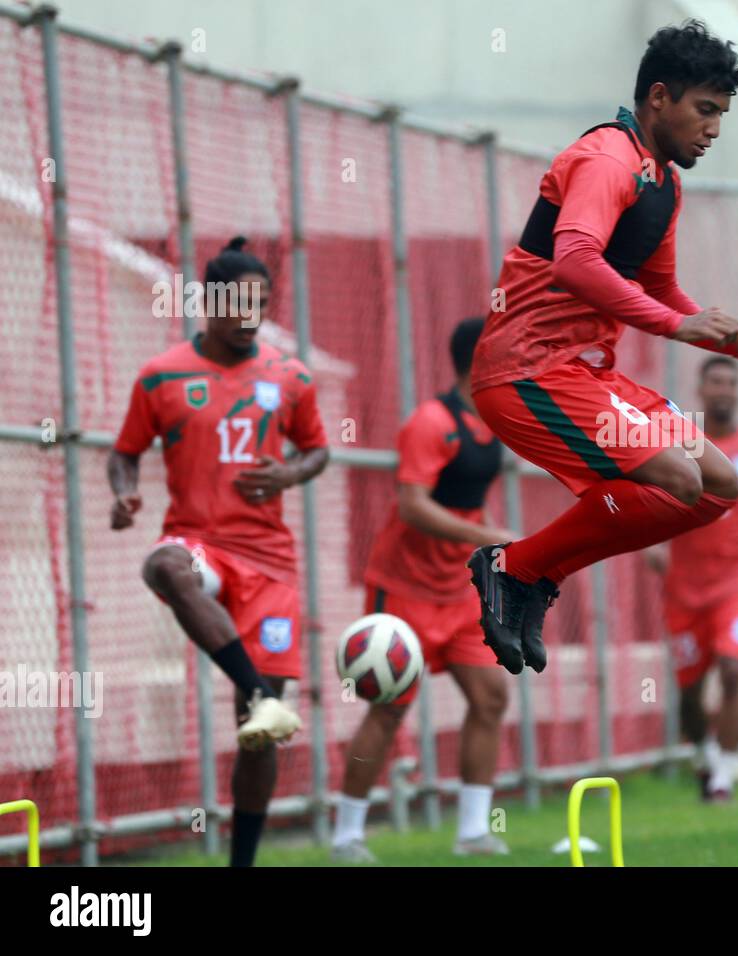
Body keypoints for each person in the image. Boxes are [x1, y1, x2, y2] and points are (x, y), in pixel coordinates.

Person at [465, 20, 738, 674]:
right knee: (677, 477)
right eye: (705, 110)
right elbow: (574, 261)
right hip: (527, 371)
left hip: (588, 375)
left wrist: (736, 342)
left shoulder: (664, 183)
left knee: (717, 486)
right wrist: (670, 325)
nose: (713, 129)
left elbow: (661, 288)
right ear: (659, 97)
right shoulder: (608, 160)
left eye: (721, 115)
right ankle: (515, 567)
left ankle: (528, 572)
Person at [108, 237, 330, 866]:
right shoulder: (161, 375)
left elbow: (318, 449)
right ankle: (260, 689)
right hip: (200, 543)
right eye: (238, 304)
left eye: (260, 303)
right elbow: (125, 453)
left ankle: (242, 865)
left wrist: (287, 474)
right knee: (163, 565)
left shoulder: (290, 376)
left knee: (257, 738)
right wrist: (125, 496)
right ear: (209, 303)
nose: (250, 316)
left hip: (270, 564)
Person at [332, 319, 515, 861]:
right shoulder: (431, 422)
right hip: (403, 589)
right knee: (388, 709)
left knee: (492, 697)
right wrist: (489, 536)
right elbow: (412, 505)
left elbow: (469, 500)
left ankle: (473, 833)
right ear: (479, 359)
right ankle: (346, 837)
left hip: (459, 592)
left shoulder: (499, 422)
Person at [647, 356, 738, 802]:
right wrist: (648, 542)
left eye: (731, 383)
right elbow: (650, 502)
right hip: (685, 588)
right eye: (716, 383)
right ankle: (704, 752)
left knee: (732, 670)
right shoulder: (680, 444)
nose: (724, 390)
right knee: (689, 691)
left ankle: (724, 772)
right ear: (701, 390)